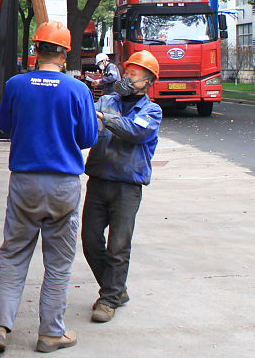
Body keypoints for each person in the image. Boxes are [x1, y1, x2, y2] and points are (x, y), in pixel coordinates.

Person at [0, 21, 100, 354]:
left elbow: (5, 126)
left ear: (35, 50)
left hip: (24, 181)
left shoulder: (15, 85)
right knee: (59, 261)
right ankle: (51, 333)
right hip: (63, 184)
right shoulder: (78, 90)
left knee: (13, 254)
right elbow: (88, 138)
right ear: (65, 54)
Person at [81, 49, 163, 324]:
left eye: (134, 75)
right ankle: (116, 290)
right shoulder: (106, 100)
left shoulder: (151, 111)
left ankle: (108, 299)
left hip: (127, 187)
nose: (127, 78)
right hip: (99, 180)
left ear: (148, 81)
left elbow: (134, 131)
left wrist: (105, 119)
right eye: (126, 72)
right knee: (91, 241)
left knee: (118, 245)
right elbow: (87, 127)